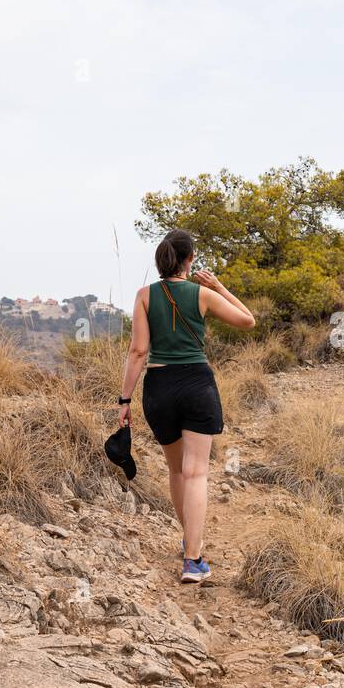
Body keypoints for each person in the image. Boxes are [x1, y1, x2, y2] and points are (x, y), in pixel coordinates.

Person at [118, 230, 256, 582]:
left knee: (177, 471)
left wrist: (125, 400)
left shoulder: (144, 296)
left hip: (158, 387)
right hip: (197, 384)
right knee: (197, 472)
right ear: (189, 259)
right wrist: (219, 287)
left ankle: (188, 543)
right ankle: (193, 560)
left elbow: (137, 351)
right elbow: (247, 320)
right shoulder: (203, 295)